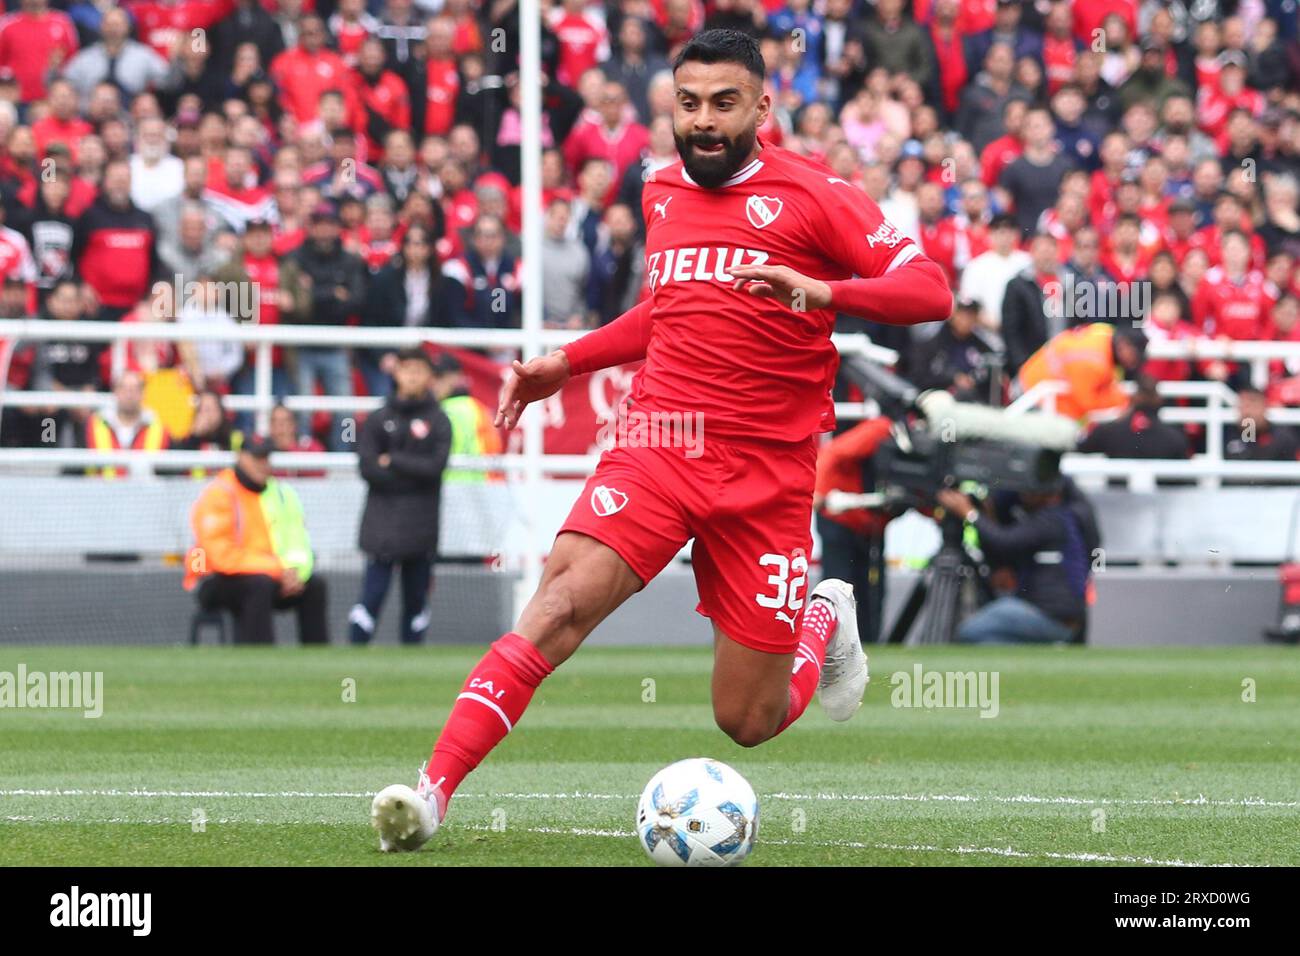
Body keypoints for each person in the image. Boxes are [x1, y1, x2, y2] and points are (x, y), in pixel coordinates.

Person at [369, 29, 953, 852]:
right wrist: (565, 363)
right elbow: (669, 309)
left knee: (746, 722)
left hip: (769, 472)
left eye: (724, 103)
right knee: (559, 605)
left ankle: (824, 618)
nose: (704, 121)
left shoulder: (816, 193)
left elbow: (929, 288)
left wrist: (821, 290)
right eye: (689, 104)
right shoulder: (661, 190)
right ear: (670, 107)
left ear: (762, 106)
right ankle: (431, 792)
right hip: (659, 441)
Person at [349, 348, 452, 646]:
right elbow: (368, 468)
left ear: (430, 377)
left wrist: (392, 461)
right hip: (382, 526)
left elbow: (435, 468)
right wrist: (410, 472)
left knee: (415, 601)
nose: (412, 376)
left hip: (421, 526)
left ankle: (412, 657)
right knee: (372, 596)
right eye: (407, 369)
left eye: (419, 370)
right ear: (396, 373)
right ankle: (353, 659)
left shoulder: (440, 421)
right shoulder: (378, 418)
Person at [183, 434, 328, 645]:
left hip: (268, 574)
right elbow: (222, 557)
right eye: (256, 457)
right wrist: (278, 569)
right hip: (213, 578)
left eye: (266, 457)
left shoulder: (281, 493)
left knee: (314, 586)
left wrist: (295, 572)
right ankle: (261, 660)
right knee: (259, 585)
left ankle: (318, 663)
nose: (263, 464)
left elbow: (299, 542)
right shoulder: (219, 494)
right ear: (240, 456)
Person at [936, 477, 1100, 644]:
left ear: (1049, 495)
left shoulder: (1051, 519)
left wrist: (968, 512)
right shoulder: (1068, 515)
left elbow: (1005, 541)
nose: (1023, 497)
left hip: (1049, 613)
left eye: (1028, 492)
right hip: (1061, 612)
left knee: (969, 631)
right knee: (988, 643)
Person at [1016, 322, 1147, 421]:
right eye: (1135, 355)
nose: (1134, 363)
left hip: (1034, 381)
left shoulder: (1104, 333)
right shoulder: (1094, 362)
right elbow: (1087, 401)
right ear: (1124, 345)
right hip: (1034, 394)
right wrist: (1124, 400)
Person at [1077, 374, 1189, 460]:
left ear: (1133, 398)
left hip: (1117, 490)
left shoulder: (1110, 432)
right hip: (1162, 490)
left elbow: (1081, 447)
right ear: (1158, 400)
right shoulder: (1174, 438)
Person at [83, 369, 169, 478]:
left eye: (134, 389)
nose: (129, 394)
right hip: (102, 491)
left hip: (145, 492)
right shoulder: (94, 424)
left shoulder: (158, 427)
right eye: (124, 388)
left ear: (143, 393)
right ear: (115, 392)